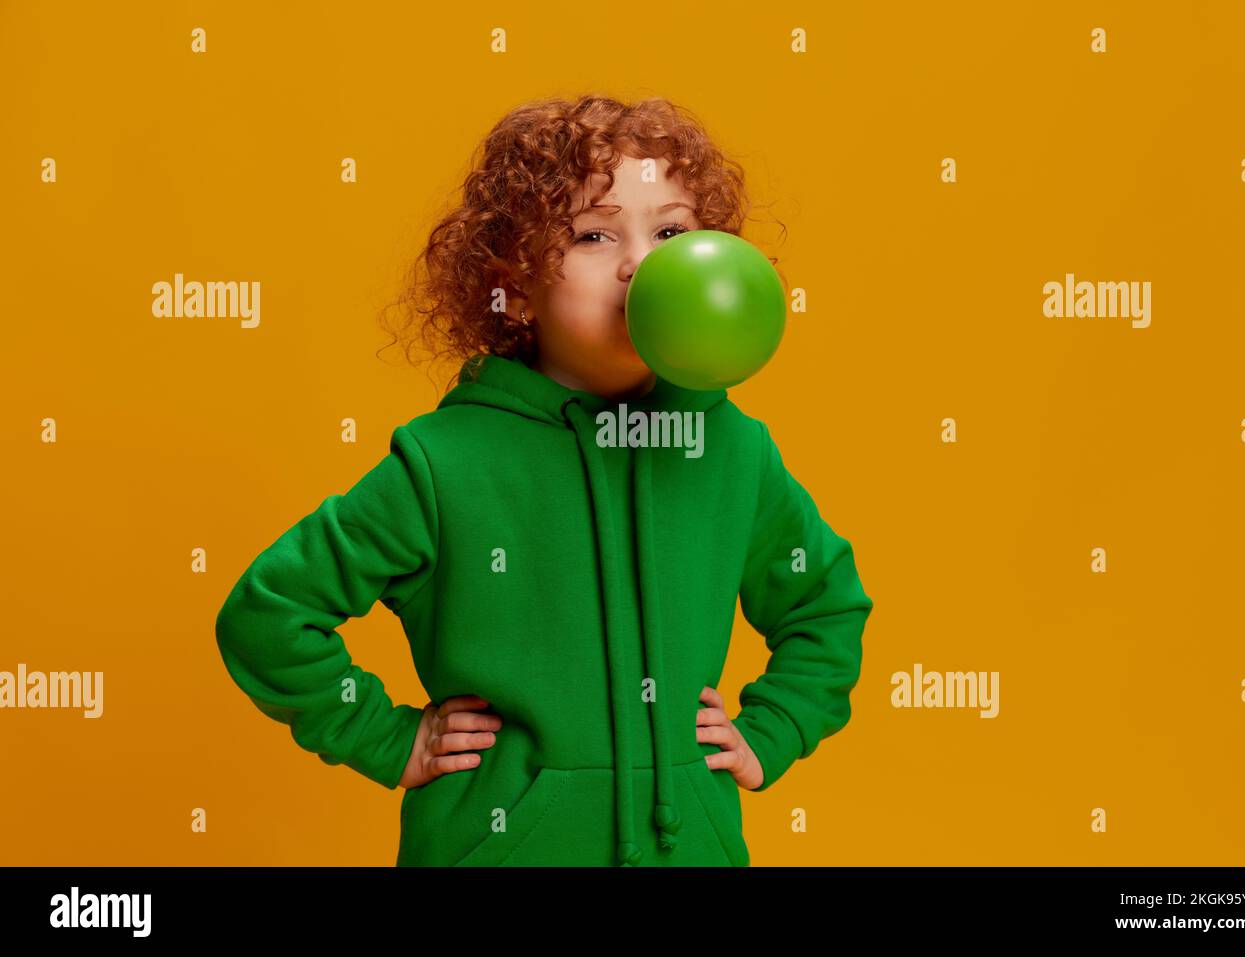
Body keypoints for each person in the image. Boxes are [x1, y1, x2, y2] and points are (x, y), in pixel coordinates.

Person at [214, 94, 873, 867]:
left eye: (670, 231)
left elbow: (826, 603)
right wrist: (388, 739)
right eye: (594, 234)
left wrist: (775, 729)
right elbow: (269, 615)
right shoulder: (445, 462)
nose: (642, 263)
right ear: (517, 286)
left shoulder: (728, 447)